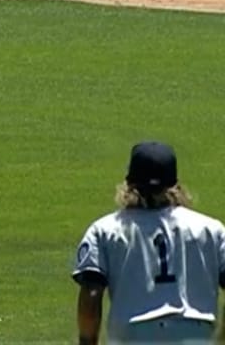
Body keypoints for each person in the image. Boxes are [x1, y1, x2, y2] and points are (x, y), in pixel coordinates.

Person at [72, 142, 225, 345]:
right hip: (195, 335)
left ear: (129, 184)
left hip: (132, 336)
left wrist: (87, 341)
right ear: (175, 184)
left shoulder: (106, 230)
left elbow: (91, 294)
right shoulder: (211, 229)